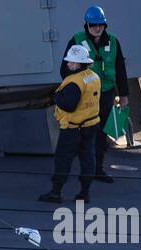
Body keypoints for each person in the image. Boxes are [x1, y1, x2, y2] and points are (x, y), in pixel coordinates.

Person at [60, 6, 128, 185]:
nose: (97, 29)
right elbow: (65, 68)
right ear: (87, 24)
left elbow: (120, 69)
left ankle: (98, 169)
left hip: (106, 94)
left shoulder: (113, 42)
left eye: (101, 25)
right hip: (85, 97)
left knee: (102, 133)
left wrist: (124, 95)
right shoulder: (77, 40)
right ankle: (79, 169)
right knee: (82, 133)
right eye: (94, 25)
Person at [39, 44, 101, 203]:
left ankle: (56, 192)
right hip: (91, 124)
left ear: (78, 64)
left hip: (73, 128)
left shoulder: (74, 82)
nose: (68, 64)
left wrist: (56, 96)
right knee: (88, 158)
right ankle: (85, 192)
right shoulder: (93, 76)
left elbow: (68, 105)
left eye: (71, 62)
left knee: (63, 158)